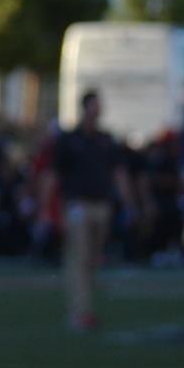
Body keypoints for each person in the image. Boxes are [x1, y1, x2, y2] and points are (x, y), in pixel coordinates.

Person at [53, 90, 130, 332]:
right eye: (94, 105)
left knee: (94, 257)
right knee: (80, 255)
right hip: (78, 204)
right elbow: (53, 174)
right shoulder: (69, 140)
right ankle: (80, 311)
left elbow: (118, 172)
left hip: (101, 204)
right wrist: (46, 207)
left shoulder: (106, 140)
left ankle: (84, 305)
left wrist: (128, 200)